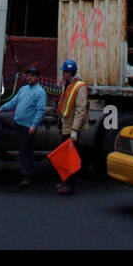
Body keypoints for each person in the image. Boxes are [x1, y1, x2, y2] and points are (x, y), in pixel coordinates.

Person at [0, 67, 47, 187]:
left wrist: (34, 125)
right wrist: (1, 109)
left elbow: (40, 110)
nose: (29, 78)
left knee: (25, 151)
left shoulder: (40, 92)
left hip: (27, 126)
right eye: (28, 75)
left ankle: (27, 176)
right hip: (16, 120)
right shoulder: (23, 89)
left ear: (37, 78)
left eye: (32, 76)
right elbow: (13, 102)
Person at [55, 59, 88, 196]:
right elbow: (64, 106)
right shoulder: (67, 85)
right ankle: (65, 181)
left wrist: (75, 130)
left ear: (70, 73)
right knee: (64, 157)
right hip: (66, 126)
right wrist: (60, 124)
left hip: (72, 129)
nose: (63, 74)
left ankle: (70, 185)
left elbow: (80, 110)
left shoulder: (79, 87)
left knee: (70, 158)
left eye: (65, 72)